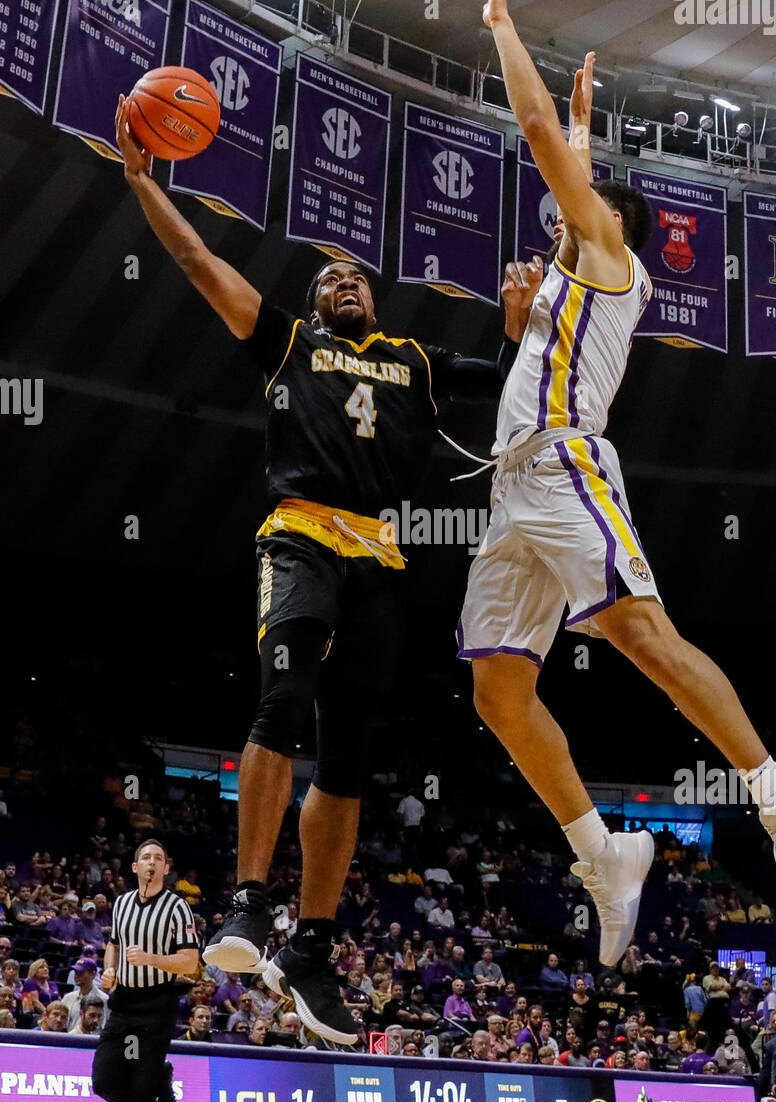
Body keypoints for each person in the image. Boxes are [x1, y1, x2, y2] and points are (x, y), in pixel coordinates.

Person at [460, 0, 776, 970]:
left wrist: (501, 25)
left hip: (567, 470)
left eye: (583, 195)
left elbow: (539, 142)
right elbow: (562, 163)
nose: (565, 205)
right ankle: (600, 850)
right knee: (496, 691)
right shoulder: (565, 282)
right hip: (510, 487)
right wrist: (515, 320)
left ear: (606, 221)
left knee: (642, 637)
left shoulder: (611, 264)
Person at [114, 93, 516, 1047]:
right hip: (299, 534)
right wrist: (142, 182)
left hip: (382, 553)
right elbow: (197, 262)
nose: (342, 281)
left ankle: (314, 948)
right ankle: (252, 903)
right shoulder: (292, 341)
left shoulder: (416, 358)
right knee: (279, 707)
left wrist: (520, 316)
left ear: (375, 300)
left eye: (355, 278)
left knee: (348, 760)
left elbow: (513, 378)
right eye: (330, 276)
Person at [91, 840, 199, 1102]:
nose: (151, 862)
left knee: (141, 1092)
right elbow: (114, 946)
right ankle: (161, 1078)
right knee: (104, 1081)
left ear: (166, 869)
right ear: (135, 867)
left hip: (157, 1004)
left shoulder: (177, 908)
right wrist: (109, 969)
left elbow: (191, 962)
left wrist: (151, 959)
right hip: (124, 1002)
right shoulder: (121, 903)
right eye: (145, 857)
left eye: (158, 858)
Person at [61, 959, 108, 1032]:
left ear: (93, 974)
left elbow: (106, 1027)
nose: (77, 975)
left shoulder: (104, 999)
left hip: (93, 1041)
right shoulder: (68, 998)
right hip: (70, 1039)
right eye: (76, 972)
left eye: (81, 972)